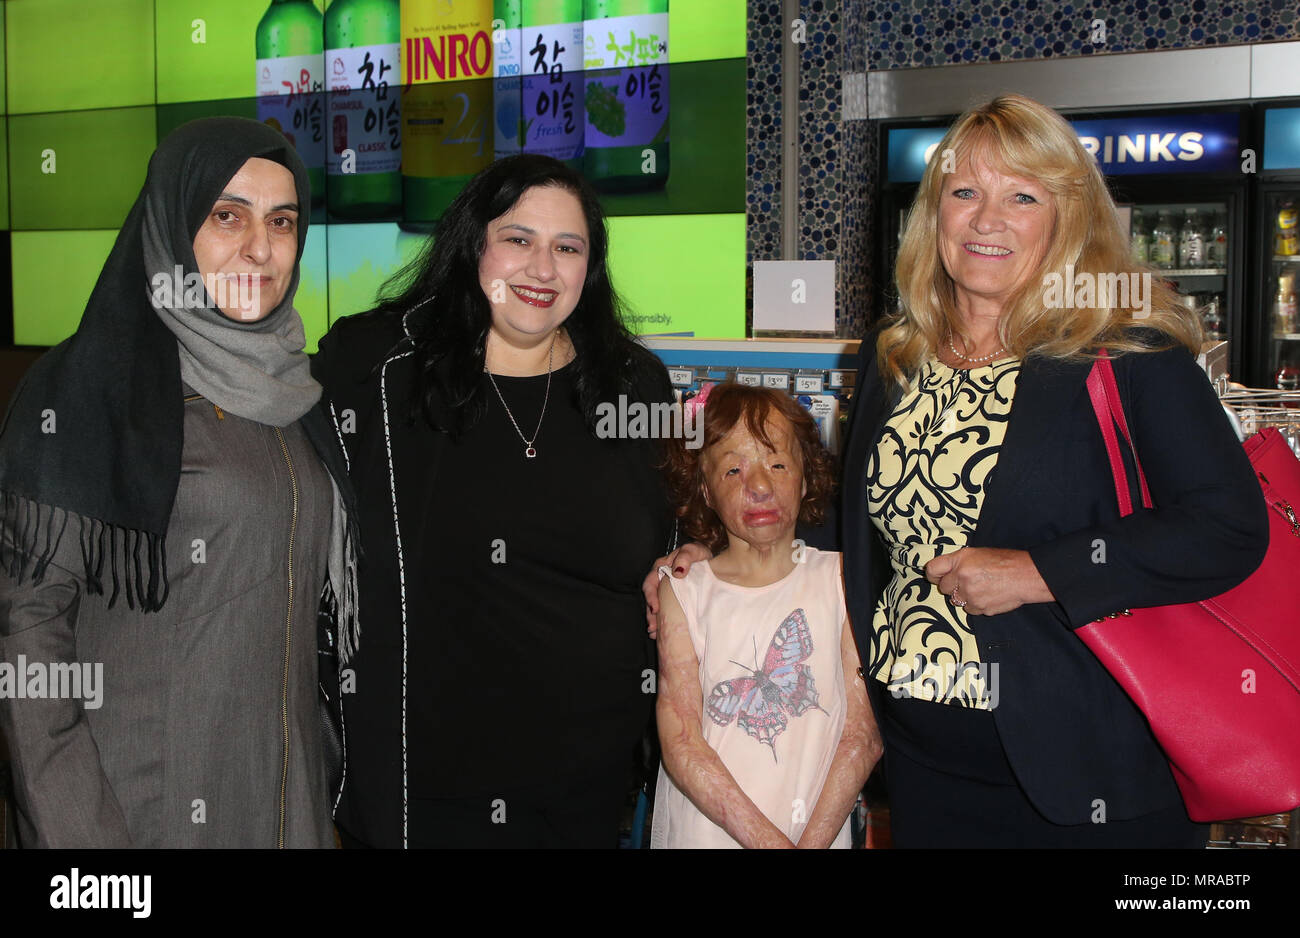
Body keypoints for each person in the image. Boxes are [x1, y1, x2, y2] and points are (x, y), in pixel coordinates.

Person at [649, 93, 1269, 847]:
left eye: (1022, 196)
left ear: (1067, 216)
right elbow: (859, 517)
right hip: (921, 760)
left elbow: (1229, 525)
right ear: (933, 212)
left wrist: (1040, 571)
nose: (986, 219)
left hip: (1083, 774)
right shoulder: (897, 354)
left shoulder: (1128, 351)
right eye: (964, 191)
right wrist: (714, 552)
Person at [0, 117, 357, 848]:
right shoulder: (89, 390)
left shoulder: (295, 396)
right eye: (228, 216)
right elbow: (25, 642)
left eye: (282, 221)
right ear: (168, 225)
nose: (260, 248)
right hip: (137, 819)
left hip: (283, 810)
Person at [313, 154, 675, 849]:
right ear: (472, 245)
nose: (543, 268)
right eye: (518, 239)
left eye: (567, 248)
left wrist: (684, 562)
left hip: (586, 790)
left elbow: (681, 530)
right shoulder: (378, 374)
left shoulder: (634, 386)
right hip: (426, 791)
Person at [651, 383, 879, 848]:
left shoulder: (841, 580)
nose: (758, 486)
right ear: (706, 490)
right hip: (709, 833)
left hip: (817, 829)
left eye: (777, 464)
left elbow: (862, 735)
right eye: (733, 469)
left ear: (806, 476)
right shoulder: (685, 590)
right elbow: (681, 738)